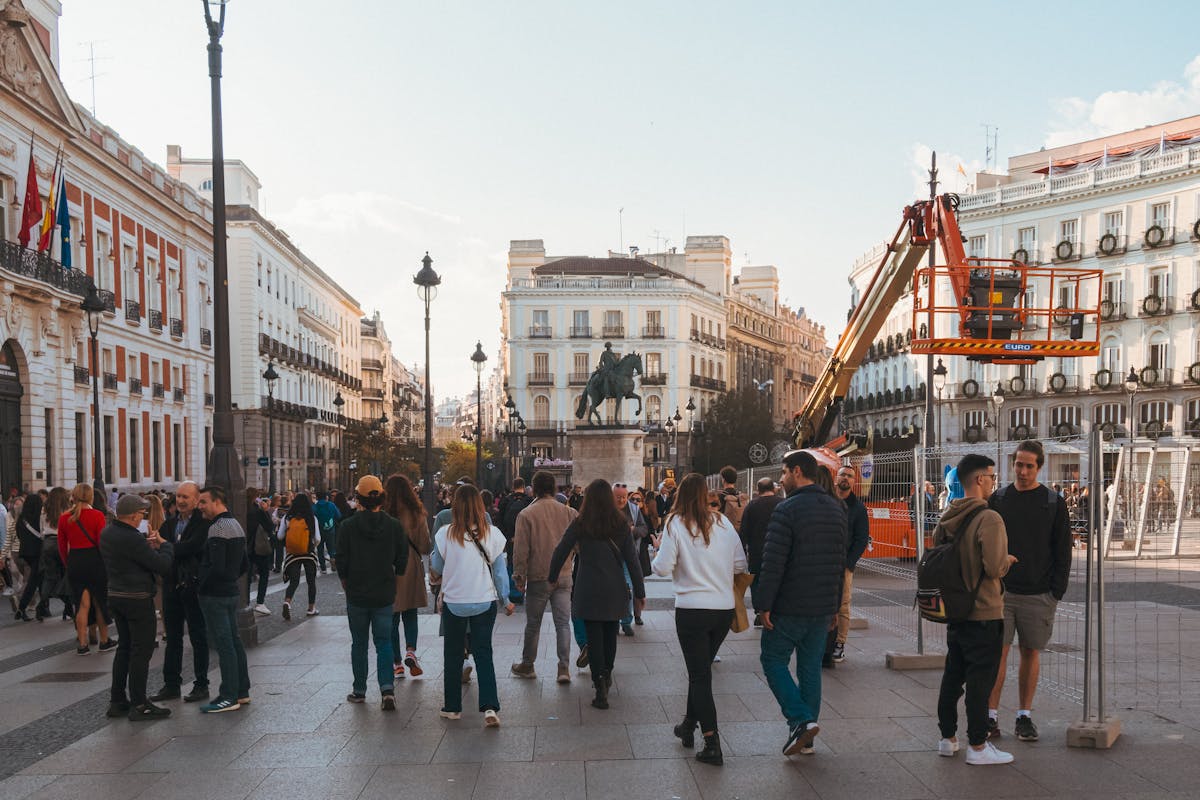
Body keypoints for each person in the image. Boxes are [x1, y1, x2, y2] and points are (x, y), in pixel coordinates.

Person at [650, 473, 748, 766]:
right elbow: (740, 564)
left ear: (680, 494)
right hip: (722, 609)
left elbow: (663, 568)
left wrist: (658, 552)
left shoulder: (675, 523)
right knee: (701, 669)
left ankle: (712, 741)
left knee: (699, 675)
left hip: (692, 609)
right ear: (706, 494)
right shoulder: (723, 522)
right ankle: (688, 725)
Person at [754, 450, 846, 757]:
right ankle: (808, 737)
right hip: (821, 606)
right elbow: (838, 563)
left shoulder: (787, 509)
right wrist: (834, 604)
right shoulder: (836, 509)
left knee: (772, 659)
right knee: (810, 669)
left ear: (796, 471)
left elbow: (773, 562)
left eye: (783, 472)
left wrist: (763, 604)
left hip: (790, 605)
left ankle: (801, 721)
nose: (780, 479)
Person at [986, 440, 1071, 743]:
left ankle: (1024, 716)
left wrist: (1055, 592)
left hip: (1038, 594)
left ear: (1039, 467)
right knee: (998, 654)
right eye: (1018, 464)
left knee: (1030, 653)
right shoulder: (999, 498)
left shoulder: (1052, 502)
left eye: (1029, 466)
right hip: (1000, 593)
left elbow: (1063, 550)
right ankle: (990, 717)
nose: (1022, 471)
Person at [936, 453, 1017, 766]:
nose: (993, 483)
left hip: (955, 610)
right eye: (992, 478)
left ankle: (948, 738)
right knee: (980, 682)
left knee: (952, 676)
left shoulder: (947, 516)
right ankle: (979, 746)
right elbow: (995, 567)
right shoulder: (989, 518)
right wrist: (1008, 561)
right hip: (983, 610)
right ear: (980, 479)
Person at [548, 479, 646, 710]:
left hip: (588, 587)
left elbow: (562, 548)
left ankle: (598, 684)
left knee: (594, 637)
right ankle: (607, 673)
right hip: (614, 588)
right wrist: (640, 591)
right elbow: (632, 560)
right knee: (610, 634)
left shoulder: (581, 522)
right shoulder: (620, 523)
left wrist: (552, 576)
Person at [430, 483, 514, 726]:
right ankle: (489, 708)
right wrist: (506, 599)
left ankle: (453, 707)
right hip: (484, 599)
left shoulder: (445, 533)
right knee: (484, 653)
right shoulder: (492, 533)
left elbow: (436, 566)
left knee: (453, 654)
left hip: (455, 601)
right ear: (480, 505)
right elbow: (499, 572)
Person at [100, 494, 175, 721]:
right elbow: (161, 566)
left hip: (116, 595)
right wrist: (165, 546)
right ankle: (140, 704)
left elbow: (132, 557)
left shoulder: (108, 532)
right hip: (137, 598)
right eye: (142, 514)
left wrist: (146, 546)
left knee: (124, 648)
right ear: (133, 516)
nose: (143, 517)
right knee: (141, 651)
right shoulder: (132, 538)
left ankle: (117, 700)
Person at [336, 475, 408, 710]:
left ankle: (359, 690)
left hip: (356, 593)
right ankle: (387, 689)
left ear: (359, 498)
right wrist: (394, 580)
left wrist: (346, 582)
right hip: (384, 592)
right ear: (382, 498)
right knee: (384, 642)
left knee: (359, 643)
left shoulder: (347, 526)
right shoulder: (394, 525)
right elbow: (402, 558)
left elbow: (341, 560)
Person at [511, 470, 579, 683]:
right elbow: (578, 545)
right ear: (554, 487)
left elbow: (521, 550)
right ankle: (564, 668)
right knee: (563, 623)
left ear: (535, 488)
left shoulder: (526, 514)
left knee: (533, 623)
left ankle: (528, 664)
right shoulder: (570, 513)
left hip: (539, 575)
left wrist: (519, 576)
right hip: (564, 574)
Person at [151, 481, 212, 704]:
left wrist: (165, 546)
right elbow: (167, 554)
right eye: (178, 496)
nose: (181, 500)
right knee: (173, 638)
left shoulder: (203, 525)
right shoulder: (168, 525)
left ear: (197, 500)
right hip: (171, 586)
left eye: (186, 497)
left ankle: (201, 684)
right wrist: (159, 546)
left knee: (198, 636)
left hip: (193, 587)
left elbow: (193, 547)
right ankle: (171, 684)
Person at [195, 486, 250, 713]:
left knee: (224, 644)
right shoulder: (235, 525)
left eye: (204, 502)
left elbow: (215, 567)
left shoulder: (217, 528)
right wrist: (230, 579)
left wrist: (201, 585)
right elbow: (244, 564)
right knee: (234, 642)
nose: (200, 507)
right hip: (231, 592)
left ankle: (228, 695)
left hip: (215, 594)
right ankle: (242, 690)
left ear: (218, 502)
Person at [58, 484, 115, 655]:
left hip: (76, 560)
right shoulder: (97, 515)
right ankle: (104, 641)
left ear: (74, 497)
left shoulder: (64, 518)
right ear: (90, 497)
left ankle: (82, 644)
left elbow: (61, 547)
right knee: (99, 602)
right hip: (95, 561)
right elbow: (101, 543)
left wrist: (69, 564)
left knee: (82, 605)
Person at [383, 473, 430, 679]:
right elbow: (425, 545)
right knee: (410, 612)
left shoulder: (383, 512)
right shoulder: (416, 512)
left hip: (387, 564)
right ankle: (411, 650)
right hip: (410, 565)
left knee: (392, 616)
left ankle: (396, 663)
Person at [827, 464, 870, 665]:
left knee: (843, 605)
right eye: (842, 474)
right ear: (836, 478)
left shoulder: (858, 508)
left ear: (854, 482)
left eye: (850, 476)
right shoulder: (826, 501)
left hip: (843, 564)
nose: (846, 478)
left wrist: (849, 563)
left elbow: (862, 538)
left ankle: (840, 643)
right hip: (823, 561)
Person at [740, 477, 783, 628]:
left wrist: (743, 551)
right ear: (774, 488)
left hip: (757, 551)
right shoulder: (782, 504)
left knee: (757, 581)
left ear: (758, 490)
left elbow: (743, 531)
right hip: (778, 550)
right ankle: (774, 609)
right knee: (777, 579)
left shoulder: (752, 506)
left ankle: (759, 612)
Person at [277, 492, 321, 620]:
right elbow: (317, 538)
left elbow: (280, 536)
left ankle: (287, 601)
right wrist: (312, 546)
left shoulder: (287, 517)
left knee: (294, 581)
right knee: (311, 581)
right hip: (308, 553)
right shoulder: (312, 518)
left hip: (293, 553)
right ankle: (311, 608)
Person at [613, 482, 647, 634]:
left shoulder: (634, 510)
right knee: (611, 589)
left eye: (624, 497)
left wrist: (633, 531)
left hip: (629, 555)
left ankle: (626, 620)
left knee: (627, 588)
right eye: (618, 497)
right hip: (610, 556)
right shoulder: (606, 511)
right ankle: (613, 619)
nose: (621, 500)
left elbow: (644, 529)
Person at [39, 488, 73, 621]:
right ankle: (69, 608)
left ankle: (42, 604)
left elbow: (41, 529)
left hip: (47, 543)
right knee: (66, 576)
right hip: (61, 542)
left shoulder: (44, 509)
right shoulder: (67, 509)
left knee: (49, 577)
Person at [15, 493, 45, 621]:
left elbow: (19, 534)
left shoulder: (22, 518)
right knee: (35, 581)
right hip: (38, 552)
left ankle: (42, 608)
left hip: (25, 553)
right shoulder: (39, 517)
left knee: (40, 580)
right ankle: (22, 608)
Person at [245, 489, 275, 615]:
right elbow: (269, 526)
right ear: (256, 497)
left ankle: (245, 601)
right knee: (264, 574)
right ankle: (260, 602)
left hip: (245, 547)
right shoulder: (258, 511)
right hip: (258, 547)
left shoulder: (241, 509)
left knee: (245, 576)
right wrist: (265, 510)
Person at [313, 491, 341, 573]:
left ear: (317, 498)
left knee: (320, 549)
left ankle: (323, 568)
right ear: (326, 497)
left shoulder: (315, 507)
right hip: (330, 530)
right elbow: (338, 515)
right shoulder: (331, 505)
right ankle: (333, 563)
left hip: (319, 531)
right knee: (332, 548)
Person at [717, 466, 748, 531]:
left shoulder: (721, 496)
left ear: (723, 479)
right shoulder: (740, 497)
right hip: (738, 529)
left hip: (724, 529)